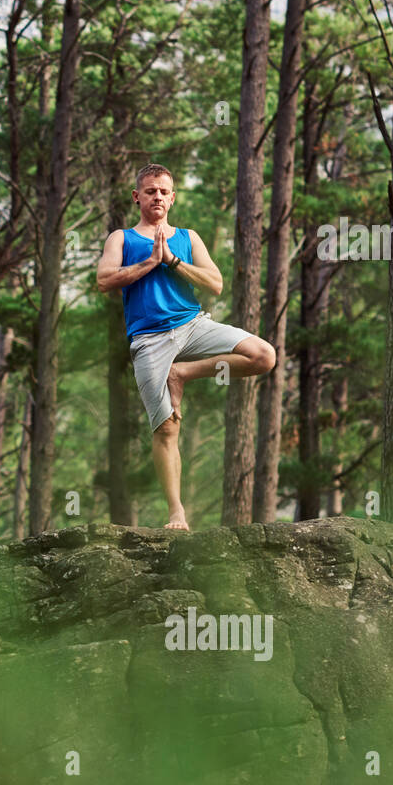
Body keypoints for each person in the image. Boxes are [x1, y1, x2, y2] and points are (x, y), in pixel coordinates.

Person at [95, 163, 275, 530]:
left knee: (263, 355)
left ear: (172, 197)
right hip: (148, 340)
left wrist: (174, 261)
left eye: (163, 191)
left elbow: (215, 284)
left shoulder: (188, 237)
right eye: (150, 191)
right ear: (137, 197)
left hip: (193, 326)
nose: (157, 196)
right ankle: (176, 512)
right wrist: (149, 262)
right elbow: (104, 280)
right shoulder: (122, 238)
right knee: (166, 429)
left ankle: (184, 373)